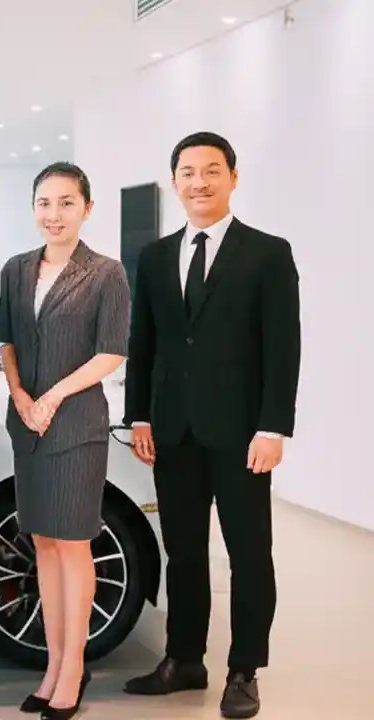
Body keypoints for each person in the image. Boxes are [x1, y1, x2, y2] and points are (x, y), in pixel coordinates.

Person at [123, 132, 300, 720]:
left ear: (233, 177)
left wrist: (274, 427)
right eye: (188, 171)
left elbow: (283, 348)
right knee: (184, 553)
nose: (199, 181)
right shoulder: (153, 256)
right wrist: (140, 413)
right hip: (172, 431)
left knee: (250, 554)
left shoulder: (268, 253)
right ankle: (184, 659)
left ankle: (244, 669)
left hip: (242, 432)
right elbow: (143, 341)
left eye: (211, 170)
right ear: (174, 180)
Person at [0, 162, 130, 720]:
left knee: (73, 546)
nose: (54, 214)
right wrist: (22, 394)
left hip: (75, 428)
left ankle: (72, 667)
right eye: (44, 203)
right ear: (34, 209)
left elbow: (112, 351)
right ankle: (52, 663)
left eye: (66, 203)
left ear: (87, 208)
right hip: (27, 425)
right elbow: (5, 339)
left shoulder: (106, 273)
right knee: (42, 546)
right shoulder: (16, 269)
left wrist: (52, 397)